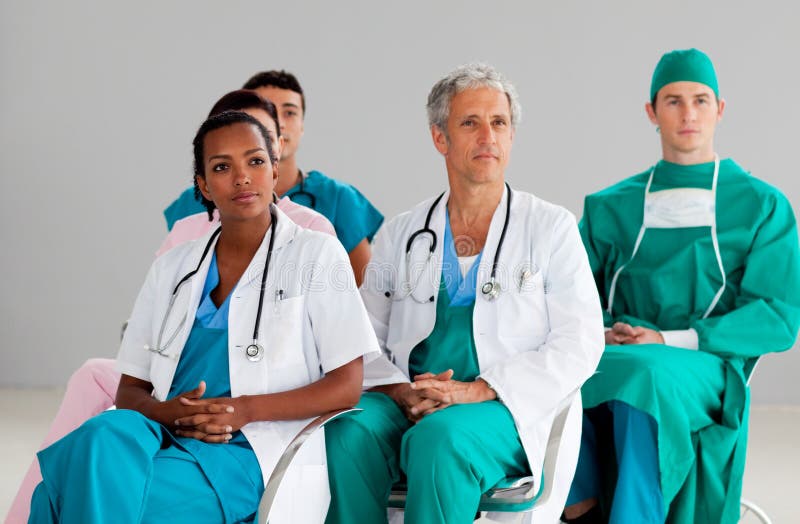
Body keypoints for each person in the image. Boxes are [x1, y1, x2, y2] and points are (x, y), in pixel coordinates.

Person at [5, 90, 338, 524]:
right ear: (203, 184)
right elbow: (130, 389)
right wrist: (170, 414)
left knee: (65, 494)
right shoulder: (175, 266)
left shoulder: (315, 252)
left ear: (275, 168)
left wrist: (246, 409)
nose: (241, 178)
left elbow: (346, 383)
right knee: (101, 434)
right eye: (222, 167)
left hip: (245, 447)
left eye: (255, 161)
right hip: (161, 431)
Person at [323, 63, 604, 524]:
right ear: (440, 138)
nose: (487, 136)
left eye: (499, 123)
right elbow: (362, 337)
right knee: (347, 433)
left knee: (440, 439)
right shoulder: (402, 234)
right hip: (411, 401)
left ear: (511, 136)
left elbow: (582, 343)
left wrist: (477, 390)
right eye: (470, 123)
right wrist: (400, 391)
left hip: (503, 408)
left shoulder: (550, 228)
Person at [563, 48, 800, 523]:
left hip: (707, 365)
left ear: (720, 109)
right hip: (617, 351)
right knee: (566, 370)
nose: (688, 113)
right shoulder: (610, 206)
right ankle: (578, 503)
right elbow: (568, 296)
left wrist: (669, 339)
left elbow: (778, 316)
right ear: (651, 112)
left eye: (700, 99)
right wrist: (606, 331)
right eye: (672, 101)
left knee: (646, 374)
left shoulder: (761, 206)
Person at [164, 70, 384, 286]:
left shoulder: (328, 210)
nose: (280, 121)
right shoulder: (190, 213)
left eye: (289, 112)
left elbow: (359, 299)